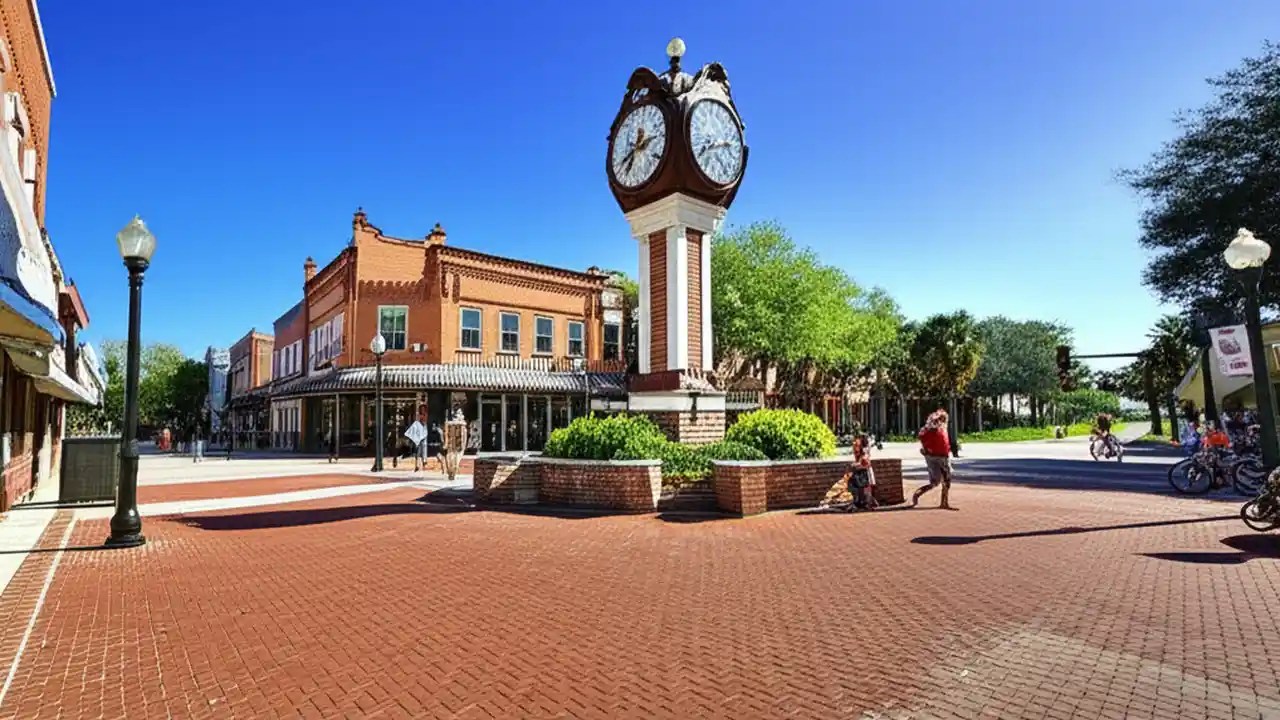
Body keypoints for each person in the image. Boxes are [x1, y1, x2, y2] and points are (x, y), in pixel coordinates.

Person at [912, 409, 955, 510]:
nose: (942, 421)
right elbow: (922, 436)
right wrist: (925, 449)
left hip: (942, 456)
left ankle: (944, 503)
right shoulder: (931, 427)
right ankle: (917, 494)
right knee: (936, 482)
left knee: (946, 481)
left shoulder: (942, 428)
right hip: (933, 456)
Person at [844, 433, 878, 511]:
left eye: (856, 446)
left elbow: (865, 463)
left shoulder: (864, 453)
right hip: (861, 473)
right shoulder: (862, 452)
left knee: (865, 489)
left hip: (864, 473)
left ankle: (867, 503)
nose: (854, 448)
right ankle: (862, 503)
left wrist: (854, 465)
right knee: (859, 488)